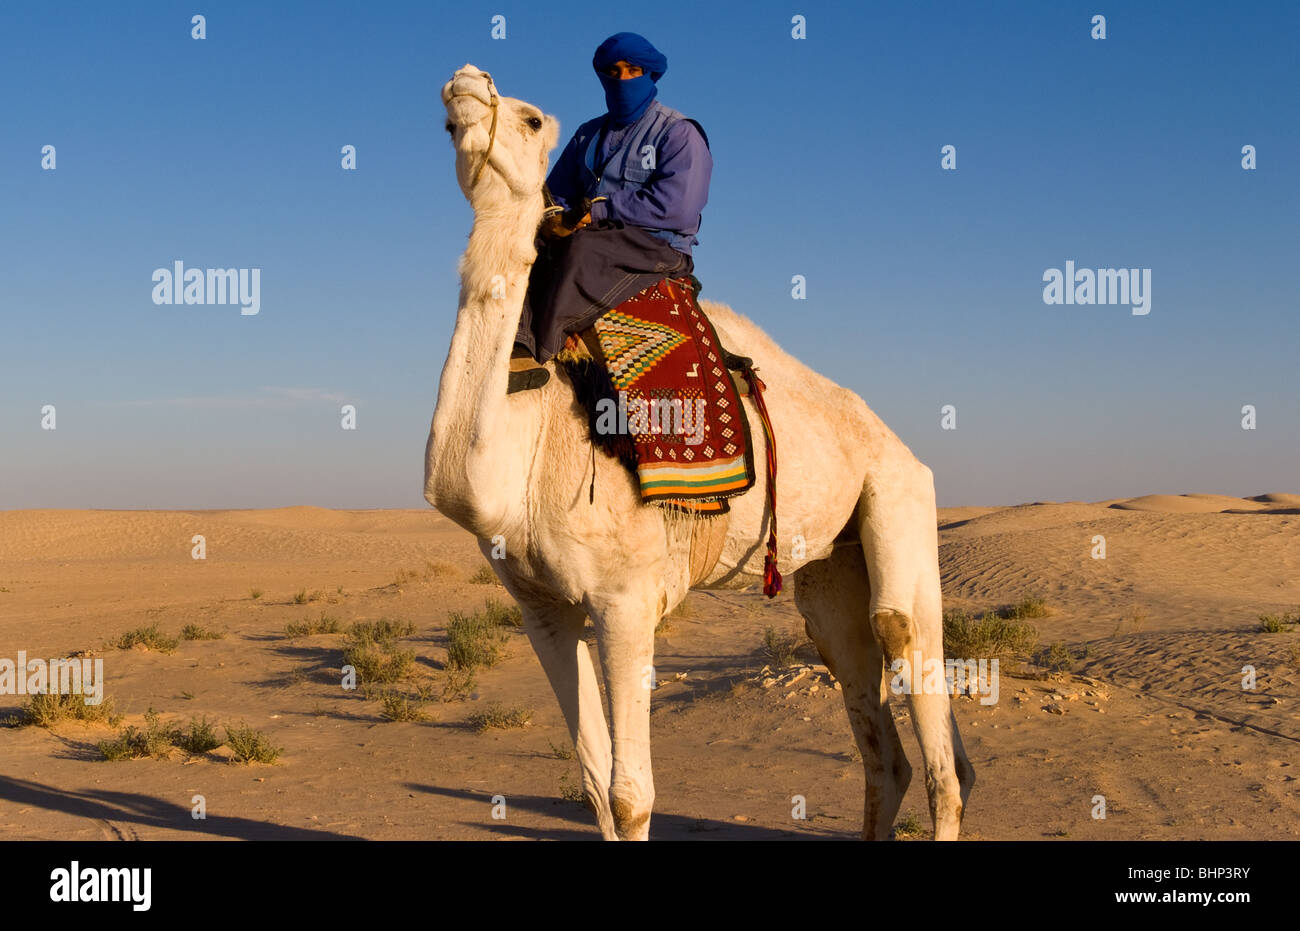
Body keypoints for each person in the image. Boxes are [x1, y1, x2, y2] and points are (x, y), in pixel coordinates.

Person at [510, 31, 713, 392]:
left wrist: (598, 214)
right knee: (522, 244)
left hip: (658, 246)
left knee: (583, 250)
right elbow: (556, 193)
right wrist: (553, 218)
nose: (622, 79)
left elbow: (678, 208)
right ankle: (519, 345)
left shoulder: (678, 133)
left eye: (632, 70)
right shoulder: (587, 135)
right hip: (590, 234)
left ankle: (546, 347)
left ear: (650, 74)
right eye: (613, 72)